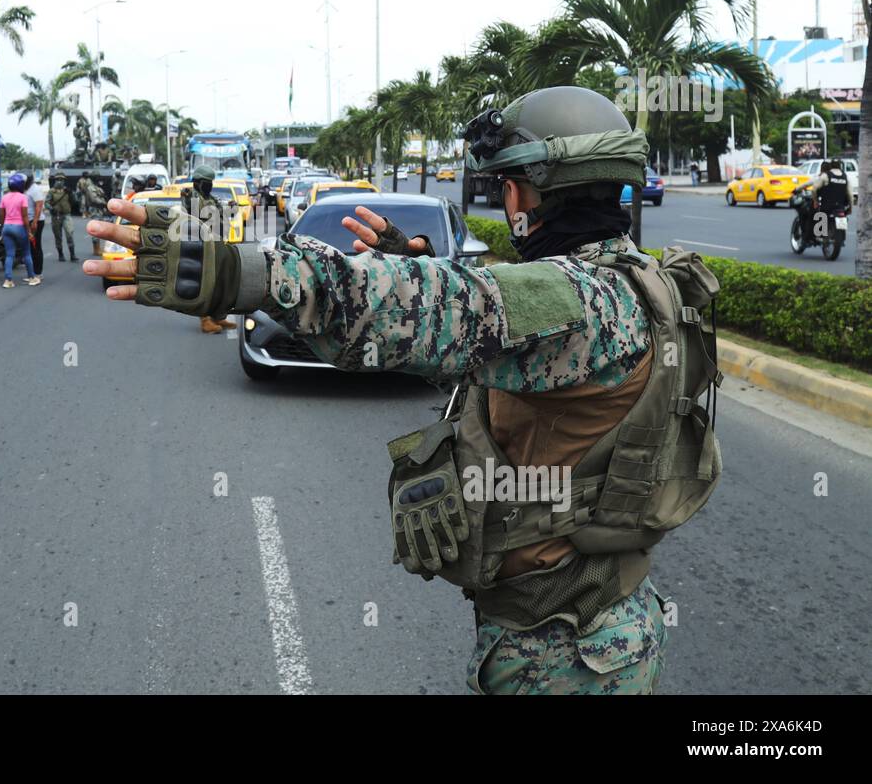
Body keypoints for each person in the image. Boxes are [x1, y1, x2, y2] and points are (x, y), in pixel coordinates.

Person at [84, 86, 725, 695]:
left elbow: (438, 309)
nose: (505, 200)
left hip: (566, 652)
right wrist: (418, 264)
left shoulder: (580, 303)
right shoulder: (632, 280)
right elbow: (487, 314)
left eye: (507, 186)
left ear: (527, 195)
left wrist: (230, 271)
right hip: (590, 625)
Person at [178, 164, 236, 334]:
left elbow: (219, 213)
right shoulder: (192, 195)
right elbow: (195, 211)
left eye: (211, 182)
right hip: (200, 244)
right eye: (206, 182)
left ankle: (217, 316)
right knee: (206, 282)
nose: (209, 185)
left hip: (215, 242)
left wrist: (230, 207)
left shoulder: (211, 198)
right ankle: (205, 320)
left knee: (220, 281)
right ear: (197, 183)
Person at [0, 173, 39, 288]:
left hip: (7, 227)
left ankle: (8, 281)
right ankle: (32, 278)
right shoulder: (23, 198)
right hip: (19, 227)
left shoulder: (4, 197)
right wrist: (29, 231)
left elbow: (2, 215)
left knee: (9, 255)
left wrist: (3, 226)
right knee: (26, 253)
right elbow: (25, 217)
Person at [47, 173, 77, 262]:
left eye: (61, 180)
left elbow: (74, 202)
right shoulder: (51, 191)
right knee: (58, 236)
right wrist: (51, 208)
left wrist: (71, 193)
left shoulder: (67, 191)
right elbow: (47, 202)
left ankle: (72, 255)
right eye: (58, 179)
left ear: (64, 181)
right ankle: (60, 254)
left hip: (66, 215)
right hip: (56, 216)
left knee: (70, 234)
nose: (59, 181)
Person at [26, 173, 48, 279]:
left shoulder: (35, 189)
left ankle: (38, 273)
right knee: (29, 247)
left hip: (36, 221)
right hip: (28, 220)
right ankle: (32, 273)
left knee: (35, 247)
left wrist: (34, 222)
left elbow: (39, 206)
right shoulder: (25, 188)